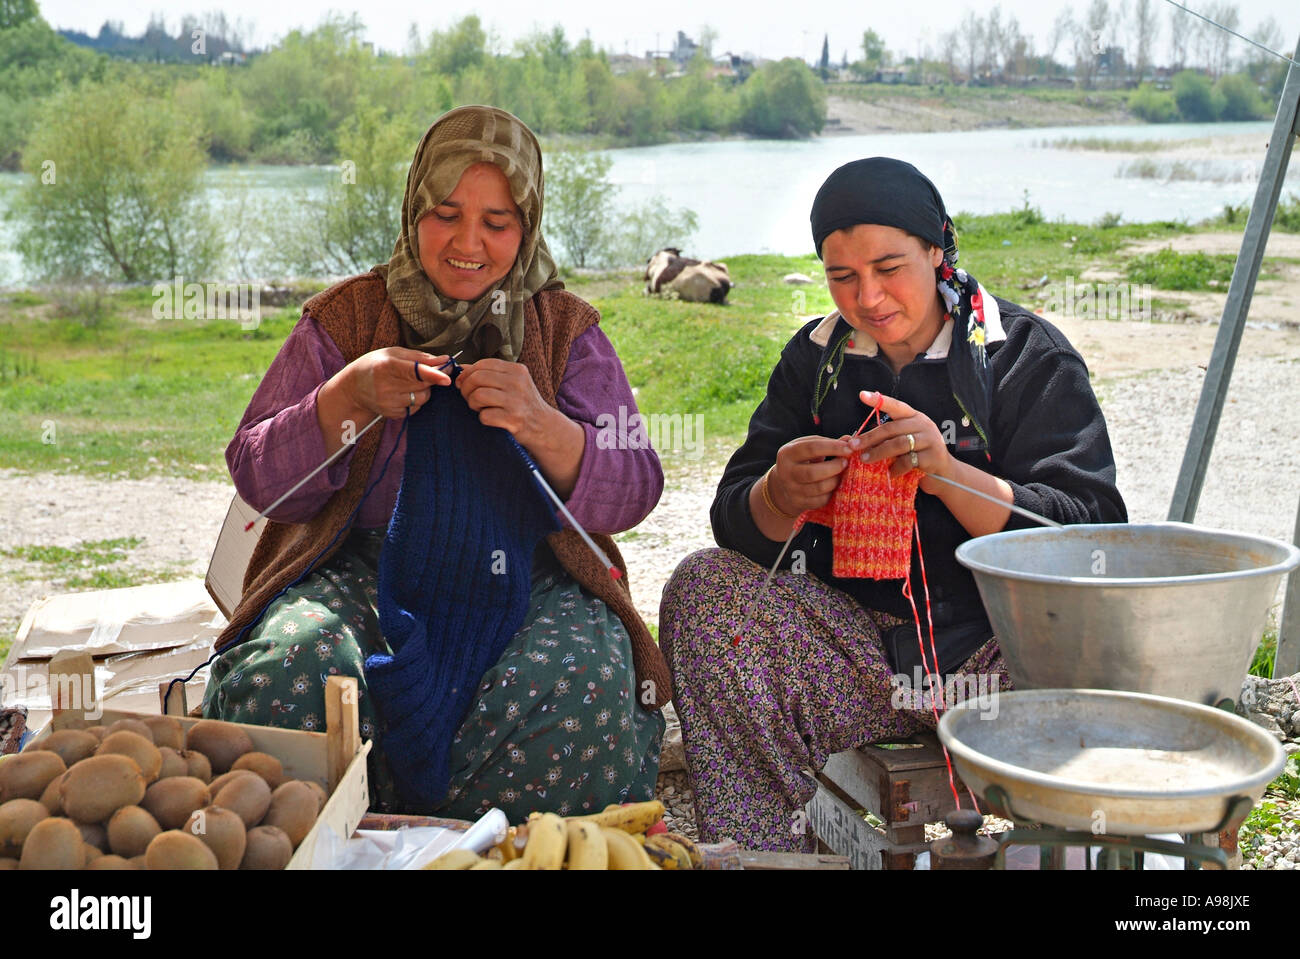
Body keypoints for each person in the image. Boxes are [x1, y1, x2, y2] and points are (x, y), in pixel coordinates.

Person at [203, 105, 670, 820]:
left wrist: (544, 425)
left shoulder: (564, 327)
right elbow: (260, 476)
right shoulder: (346, 318)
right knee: (289, 671)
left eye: (498, 222)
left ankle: (485, 854)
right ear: (414, 206)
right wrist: (345, 397)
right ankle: (341, 844)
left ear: (529, 224)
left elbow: (635, 486)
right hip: (359, 566)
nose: (468, 243)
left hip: (530, 571)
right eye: (446, 213)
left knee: (582, 686)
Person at [659, 157, 1127, 852]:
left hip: (997, 660)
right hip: (856, 663)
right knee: (703, 588)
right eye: (841, 275)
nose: (868, 297)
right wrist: (777, 494)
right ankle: (769, 855)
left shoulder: (1024, 357)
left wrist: (949, 476)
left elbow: (1094, 532)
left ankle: (1055, 850)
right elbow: (734, 517)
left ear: (937, 250)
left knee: (1090, 637)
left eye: (889, 267)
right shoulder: (817, 361)